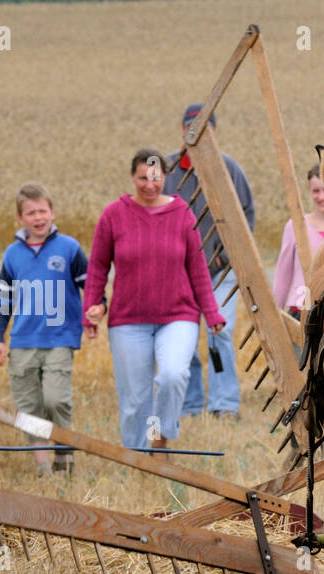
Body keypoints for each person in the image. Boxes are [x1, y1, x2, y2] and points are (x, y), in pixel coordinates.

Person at [83, 148, 224, 450]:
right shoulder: (113, 216)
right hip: (128, 320)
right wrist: (91, 308)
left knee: (173, 375)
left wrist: (212, 313)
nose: (150, 185)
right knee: (135, 399)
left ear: (166, 177)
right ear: (132, 178)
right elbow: (97, 267)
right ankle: (137, 457)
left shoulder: (182, 215)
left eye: (156, 178)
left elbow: (198, 270)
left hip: (178, 316)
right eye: (143, 178)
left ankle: (159, 439)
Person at [0, 182, 89, 476]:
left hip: (60, 338)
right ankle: (44, 468)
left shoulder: (69, 248)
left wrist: (95, 310)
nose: (38, 217)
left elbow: (90, 284)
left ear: (52, 212)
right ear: (20, 219)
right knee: (29, 408)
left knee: (55, 399)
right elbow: (3, 299)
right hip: (22, 341)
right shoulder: (12, 254)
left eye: (43, 211)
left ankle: (64, 456)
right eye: (31, 213)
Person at [164, 103, 256, 420]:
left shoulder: (230, 170)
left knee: (220, 333)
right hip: (179, 273)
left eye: (206, 130)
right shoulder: (168, 170)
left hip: (219, 274)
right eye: (193, 129)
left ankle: (224, 403)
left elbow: (246, 216)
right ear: (183, 131)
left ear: (215, 132)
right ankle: (190, 405)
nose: (200, 136)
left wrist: (224, 256)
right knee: (184, 338)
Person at [272, 165, 324, 319]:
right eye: (316, 191)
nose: (321, 197)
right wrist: (274, 316)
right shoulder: (296, 226)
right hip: (301, 309)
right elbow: (283, 275)